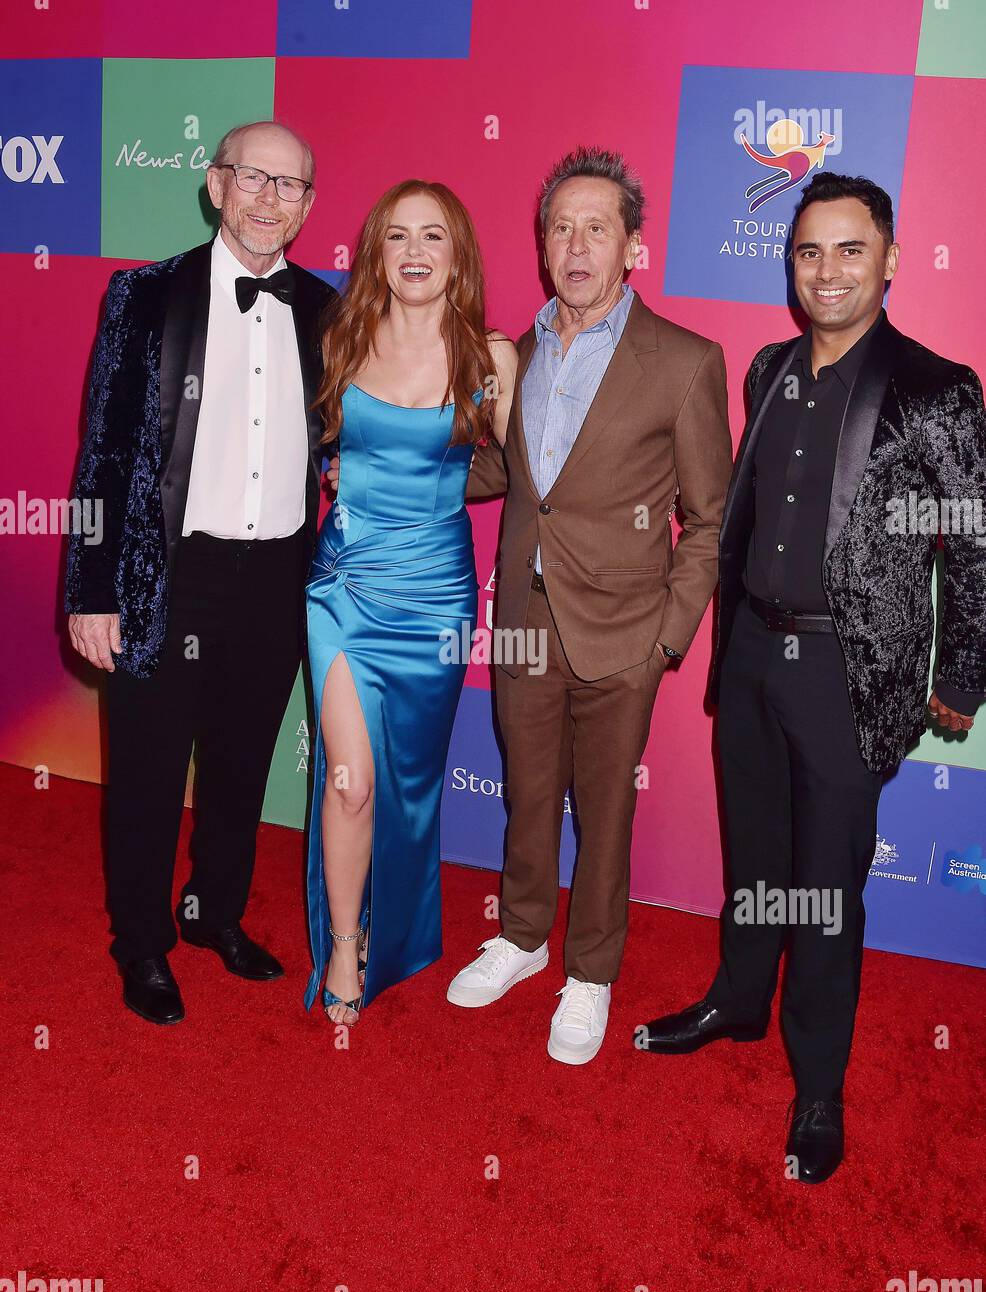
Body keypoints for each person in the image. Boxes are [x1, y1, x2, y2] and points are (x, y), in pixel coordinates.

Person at [641, 173, 986, 1183]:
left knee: (823, 892)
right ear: (787, 266)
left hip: (848, 669)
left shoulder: (934, 389)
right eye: (806, 251)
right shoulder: (765, 370)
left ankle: (819, 1088)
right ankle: (738, 998)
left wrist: (959, 670)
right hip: (750, 650)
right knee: (753, 858)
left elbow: (966, 545)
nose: (824, 271)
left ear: (886, 259)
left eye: (846, 250)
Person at [445, 147, 734, 1065]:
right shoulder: (514, 352)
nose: (575, 245)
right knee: (528, 795)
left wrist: (668, 637)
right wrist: (406, 463)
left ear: (632, 247)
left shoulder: (684, 362)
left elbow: (710, 519)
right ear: (543, 245)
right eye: (560, 227)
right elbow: (506, 475)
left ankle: (590, 973)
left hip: (623, 635)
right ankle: (524, 938)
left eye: (596, 227)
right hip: (524, 624)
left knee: (603, 809)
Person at [65, 121, 335, 1024]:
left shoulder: (330, 310)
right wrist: (92, 590)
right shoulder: (145, 295)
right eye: (252, 178)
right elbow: (100, 452)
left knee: (240, 763)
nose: (268, 198)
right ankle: (139, 942)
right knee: (145, 768)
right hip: (165, 570)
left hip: (277, 576)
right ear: (217, 186)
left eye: (289, 185)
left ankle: (213, 913)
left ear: (307, 204)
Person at [306, 180, 516, 1024]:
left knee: (410, 782)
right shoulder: (339, 340)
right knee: (351, 781)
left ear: (457, 252)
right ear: (377, 254)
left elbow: (536, 479)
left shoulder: (489, 359)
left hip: (435, 596)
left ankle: (402, 925)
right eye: (398, 236)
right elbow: (307, 446)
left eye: (434, 236)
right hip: (344, 586)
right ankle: (349, 945)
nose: (417, 252)